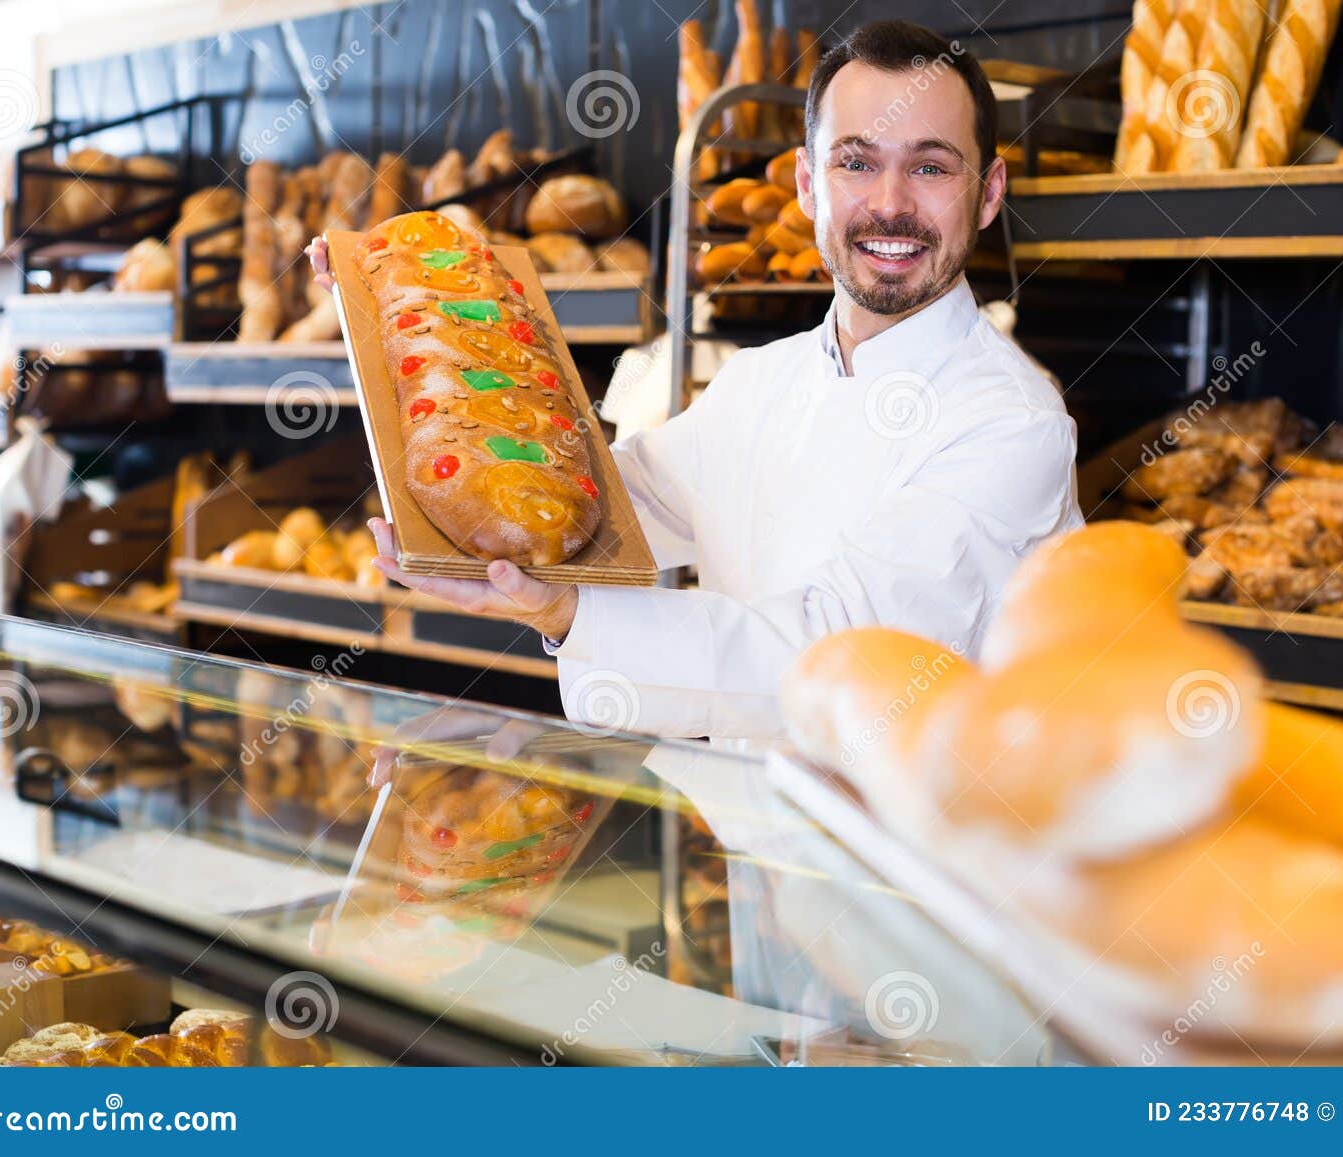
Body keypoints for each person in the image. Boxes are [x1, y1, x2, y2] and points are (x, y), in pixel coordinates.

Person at [309, 19, 1081, 747]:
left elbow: (841, 655)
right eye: (857, 161)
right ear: (809, 186)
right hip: (766, 860)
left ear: (987, 193)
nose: (888, 202)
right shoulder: (760, 383)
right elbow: (613, 504)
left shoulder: (1013, 423)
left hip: (928, 873)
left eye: (931, 166)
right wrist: (423, 341)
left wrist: (569, 611)